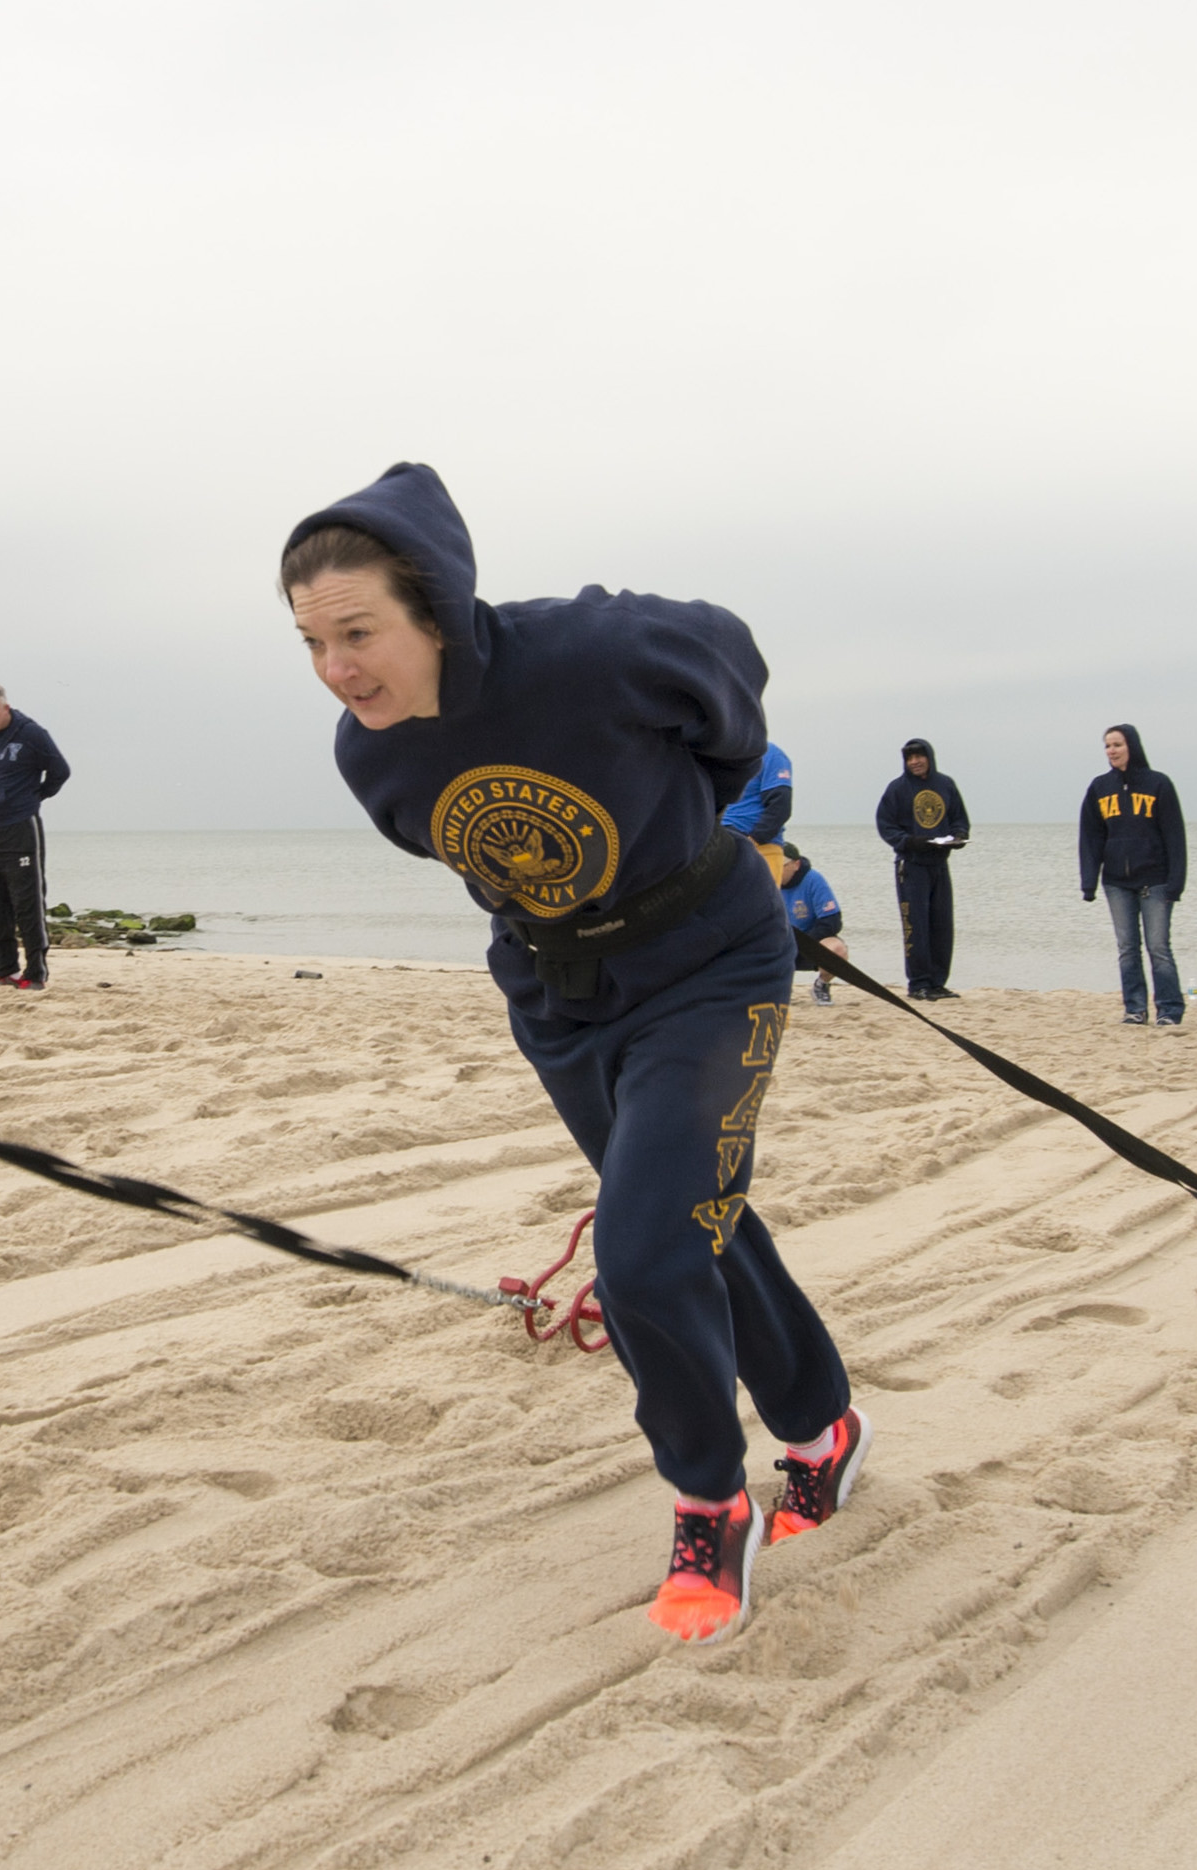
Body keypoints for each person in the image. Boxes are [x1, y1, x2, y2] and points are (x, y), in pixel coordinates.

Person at [282, 462, 864, 1647]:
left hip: (708, 966)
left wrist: (696, 823)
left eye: (358, 632)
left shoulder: (591, 654)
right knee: (696, 1218)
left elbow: (728, 685)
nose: (338, 670)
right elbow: (490, 867)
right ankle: (823, 1431)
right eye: (310, 644)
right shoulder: (371, 755)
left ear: (432, 603)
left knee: (645, 1249)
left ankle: (709, 1504)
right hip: (563, 997)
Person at [1078, 723, 1188, 1026]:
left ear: (1132, 747)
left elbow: (1175, 837)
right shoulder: (1100, 788)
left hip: (1156, 880)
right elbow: (1090, 837)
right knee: (1127, 949)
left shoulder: (1158, 784)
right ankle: (1135, 1008)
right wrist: (1089, 882)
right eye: (1107, 746)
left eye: (1117, 745)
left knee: (1158, 947)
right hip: (1116, 882)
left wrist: (1176, 883)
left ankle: (1169, 1009)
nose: (1111, 751)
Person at [0, 683, 70, 991]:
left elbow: (60, 771)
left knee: (27, 903)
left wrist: (32, 797)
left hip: (20, 828)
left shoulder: (31, 735)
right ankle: (4, 970)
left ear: (6, 709)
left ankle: (35, 972)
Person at [874, 738, 969, 999]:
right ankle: (919, 983)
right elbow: (885, 825)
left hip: (939, 864)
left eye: (919, 756)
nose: (915, 761)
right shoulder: (897, 789)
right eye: (909, 757)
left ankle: (938, 982)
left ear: (929, 757)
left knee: (941, 924)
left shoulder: (945, 785)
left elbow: (959, 817)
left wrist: (959, 835)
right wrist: (908, 842)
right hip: (911, 866)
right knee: (916, 925)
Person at [774, 841, 848, 1004]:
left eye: (782, 865)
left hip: (808, 943)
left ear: (796, 864)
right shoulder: (767, 881)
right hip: (778, 945)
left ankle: (821, 986)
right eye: (774, 864)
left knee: (837, 950)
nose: (777, 869)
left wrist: (803, 943)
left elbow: (832, 921)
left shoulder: (813, 880)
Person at [718, 739, 794, 847]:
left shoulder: (770, 754)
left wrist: (755, 839)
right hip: (720, 841)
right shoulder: (718, 756)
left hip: (758, 845)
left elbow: (780, 804)